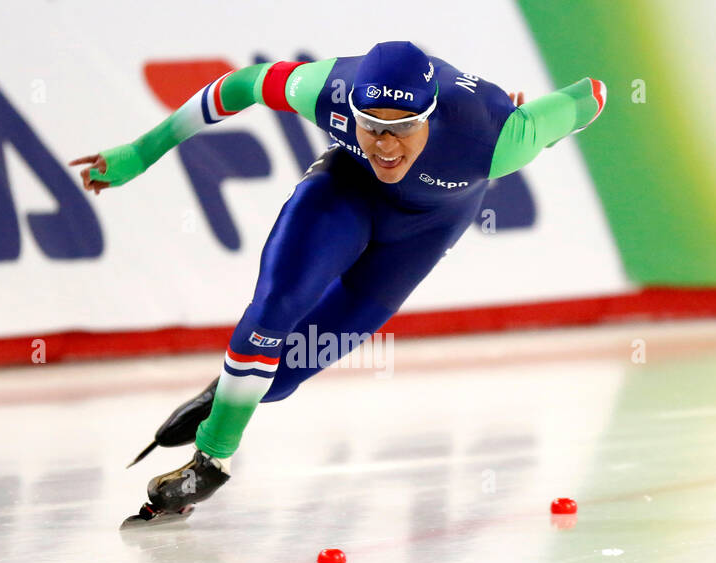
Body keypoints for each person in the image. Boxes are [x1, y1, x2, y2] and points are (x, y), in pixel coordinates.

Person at [71, 41, 605, 525]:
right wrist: (141, 153)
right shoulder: (328, 87)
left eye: (403, 128)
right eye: (371, 126)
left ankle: (223, 397)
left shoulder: (496, 134)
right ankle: (212, 460)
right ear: (350, 110)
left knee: (281, 378)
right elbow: (237, 87)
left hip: (420, 236)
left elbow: (589, 97)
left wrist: (574, 111)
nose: (386, 145)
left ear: (432, 116)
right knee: (275, 306)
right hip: (345, 193)